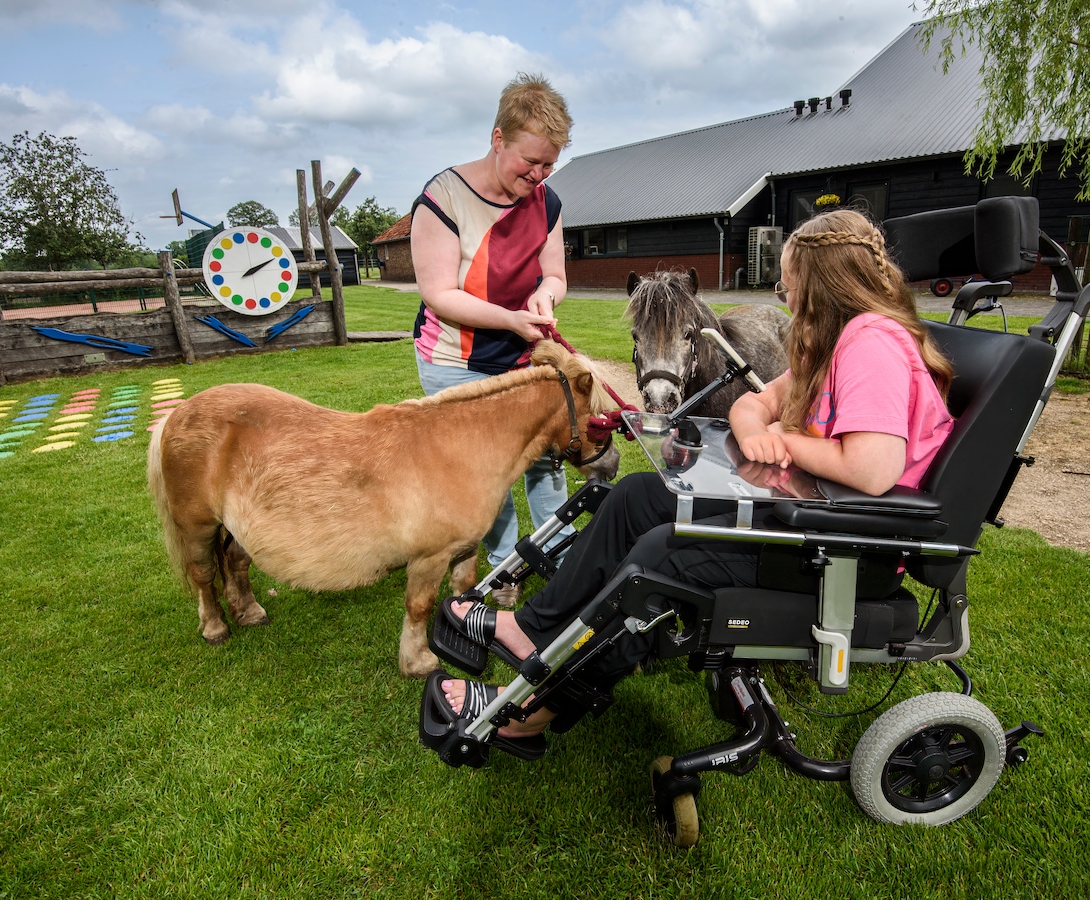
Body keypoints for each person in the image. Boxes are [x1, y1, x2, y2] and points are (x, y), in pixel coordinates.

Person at [437, 207, 957, 748]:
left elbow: (873, 470)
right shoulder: (830, 344)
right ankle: (531, 629)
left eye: (789, 284)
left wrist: (782, 441)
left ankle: (534, 710)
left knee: (662, 556)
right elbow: (755, 403)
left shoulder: (872, 344)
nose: (784, 295)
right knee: (639, 494)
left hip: (839, 545)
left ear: (824, 285)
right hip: (800, 513)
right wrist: (756, 426)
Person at [410, 72, 575, 608]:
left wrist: (546, 297)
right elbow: (438, 293)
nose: (540, 174)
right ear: (498, 138)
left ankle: (561, 556)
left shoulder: (547, 202)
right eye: (531, 161)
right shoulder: (443, 197)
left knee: (545, 459)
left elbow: (555, 274)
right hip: (454, 359)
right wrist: (509, 318)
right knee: (489, 476)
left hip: (523, 353)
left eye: (549, 164)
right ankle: (505, 569)